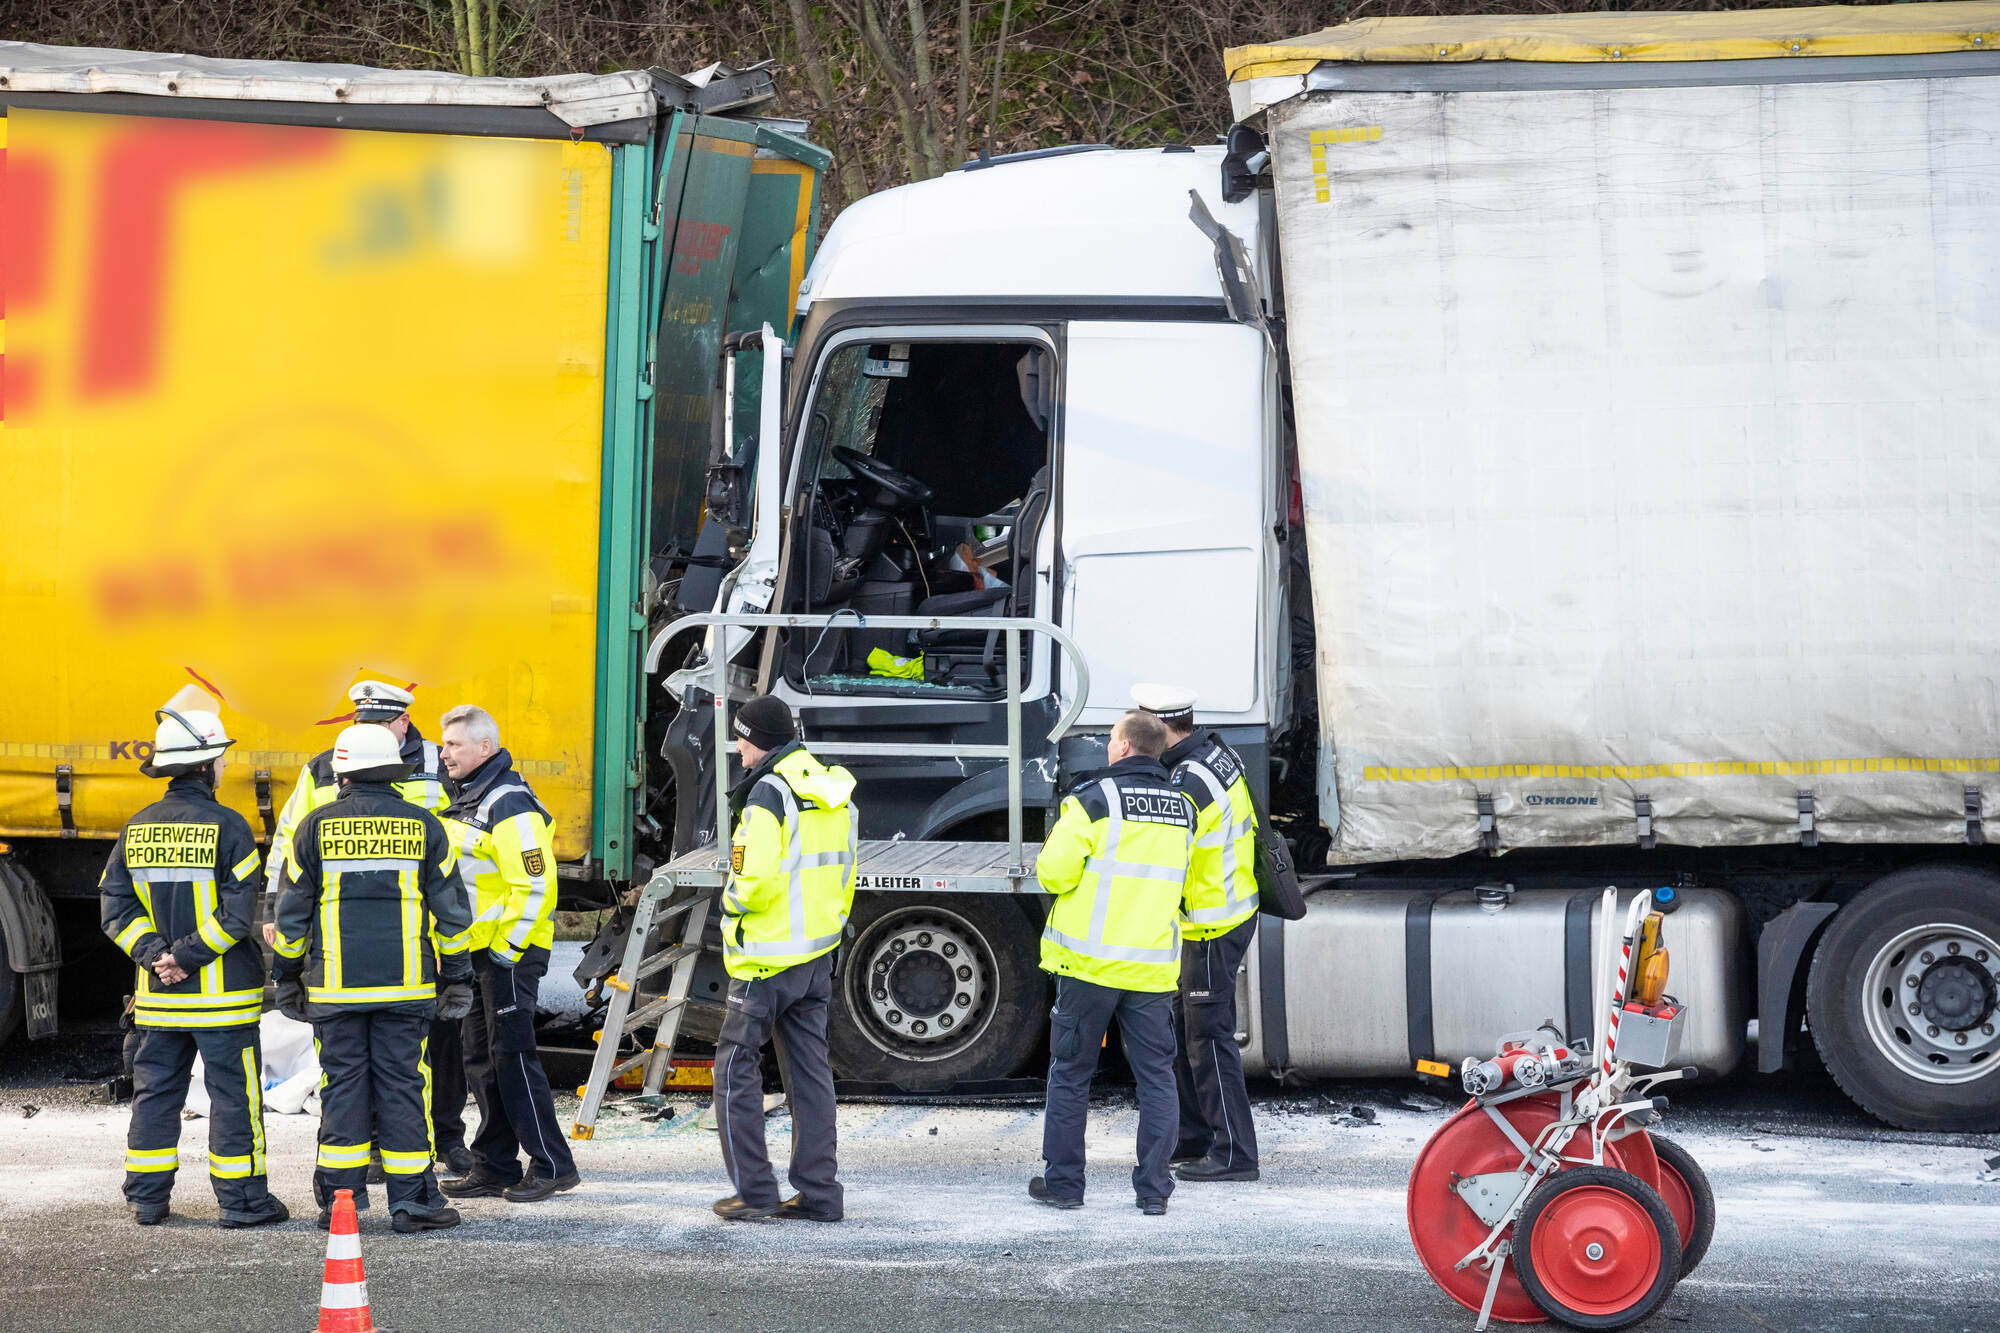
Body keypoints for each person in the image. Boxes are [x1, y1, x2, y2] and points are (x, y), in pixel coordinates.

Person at [270, 722, 476, 1233]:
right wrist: (457, 976)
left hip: (335, 990)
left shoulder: (314, 828)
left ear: (341, 773)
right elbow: (452, 915)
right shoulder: (426, 826)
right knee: (404, 1087)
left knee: (342, 1087)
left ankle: (341, 1202)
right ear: (393, 772)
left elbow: (291, 919)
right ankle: (414, 1204)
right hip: (406, 990)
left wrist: (287, 977)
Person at [99, 701, 291, 1229]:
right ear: (207, 767)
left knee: (155, 1094)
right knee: (234, 1098)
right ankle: (242, 1203)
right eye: (221, 759)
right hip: (223, 1001)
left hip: (157, 999)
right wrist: (184, 957)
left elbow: (115, 908)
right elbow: (237, 916)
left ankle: (147, 1199)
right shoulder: (230, 828)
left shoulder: (136, 828)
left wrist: (156, 957)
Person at [1031, 709, 1195, 1215]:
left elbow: (1053, 875)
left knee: (1071, 1075)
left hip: (1089, 968)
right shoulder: (1185, 807)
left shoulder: (1093, 800)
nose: (1107, 745)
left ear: (1123, 747)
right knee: (1156, 1079)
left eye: (1109, 738)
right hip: (1150, 970)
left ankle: (1063, 1186)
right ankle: (1153, 1192)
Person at [710, 693, 857, 1222]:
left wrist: (727, 906)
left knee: (733, 1069)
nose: (740, 750)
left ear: (758, 740)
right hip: (816, 952)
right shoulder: (829, 785)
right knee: (810, 1074)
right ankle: (819, 1194)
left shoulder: (769, 794)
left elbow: (752, 879)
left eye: (742, 739)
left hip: (767, 959)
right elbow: (846, 870)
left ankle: (754, 1191)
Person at [433, 704, 580, 1203]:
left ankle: (553, 1164)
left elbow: (536, 886)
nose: (444, 752)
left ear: (485, 748)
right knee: (481, 1058)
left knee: (512, 1056)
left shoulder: (508, 802)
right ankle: (493, 1164)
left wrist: (507, 951)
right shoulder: (467, 799)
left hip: (507, 954)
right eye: (443, 743)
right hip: (480, 953)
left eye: (453, 744)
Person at [1133, 683, 1262, 1182]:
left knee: (1207, 1039)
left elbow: (1167, 851)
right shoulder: (1215, 750)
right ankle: (1194, 1137)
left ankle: (1235, 1155)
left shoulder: (1188, 781)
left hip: (1209, 923)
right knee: (1188, 1031)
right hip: (1224, 911)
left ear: (1163, 727)